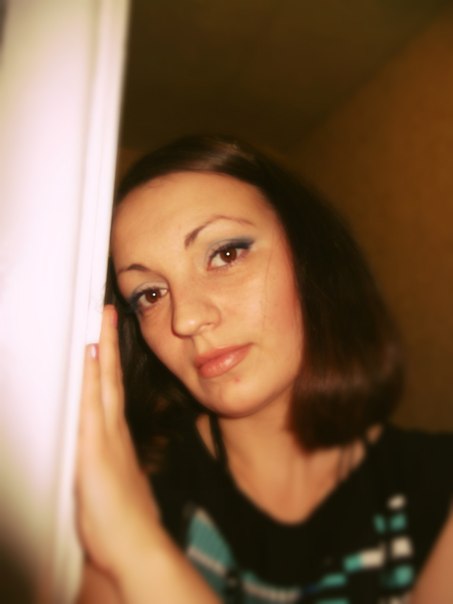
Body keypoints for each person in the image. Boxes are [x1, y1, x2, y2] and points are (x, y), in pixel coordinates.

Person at [76, 135, 453, 604]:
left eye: (225, 254)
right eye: (150, 294)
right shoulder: (118, 491)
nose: (186, 319)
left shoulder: (437, 485)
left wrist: (137, 548)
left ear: (310, 254)